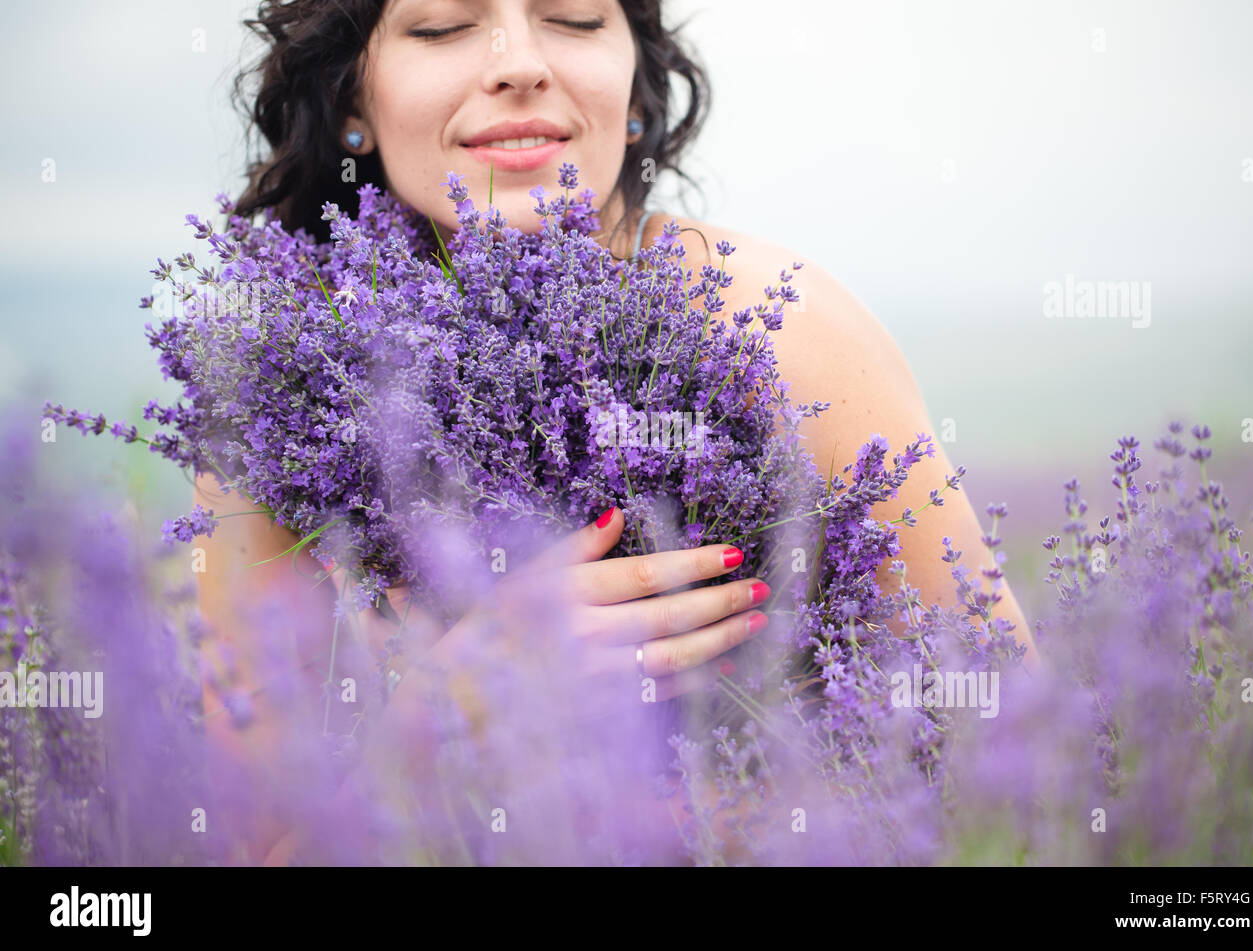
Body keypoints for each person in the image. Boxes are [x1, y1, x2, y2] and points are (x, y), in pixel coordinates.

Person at [196, 0, 1039, 864]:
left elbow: (1027, 761)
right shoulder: (281, 412)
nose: (517, 63)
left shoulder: (779, 332)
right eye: (443, 25)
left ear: (635, 83)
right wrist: (442, 720)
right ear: (349, 103)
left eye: (572, 16)